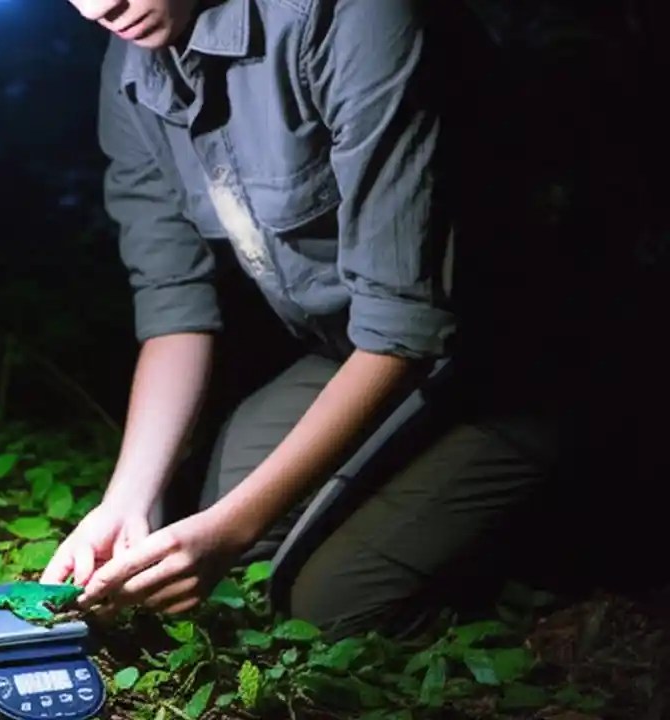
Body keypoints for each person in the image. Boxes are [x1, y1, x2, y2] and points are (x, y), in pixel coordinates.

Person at [40, 0, 566, 640]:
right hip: (346, 353)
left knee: (327, 601)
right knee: (198, 518)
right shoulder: (133, 66)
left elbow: (404, 321)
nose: (100, 7)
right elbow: (174, 304)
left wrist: (233, 529)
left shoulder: (353, 18)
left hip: (510, 366)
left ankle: (576, 524)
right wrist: (125, 500)